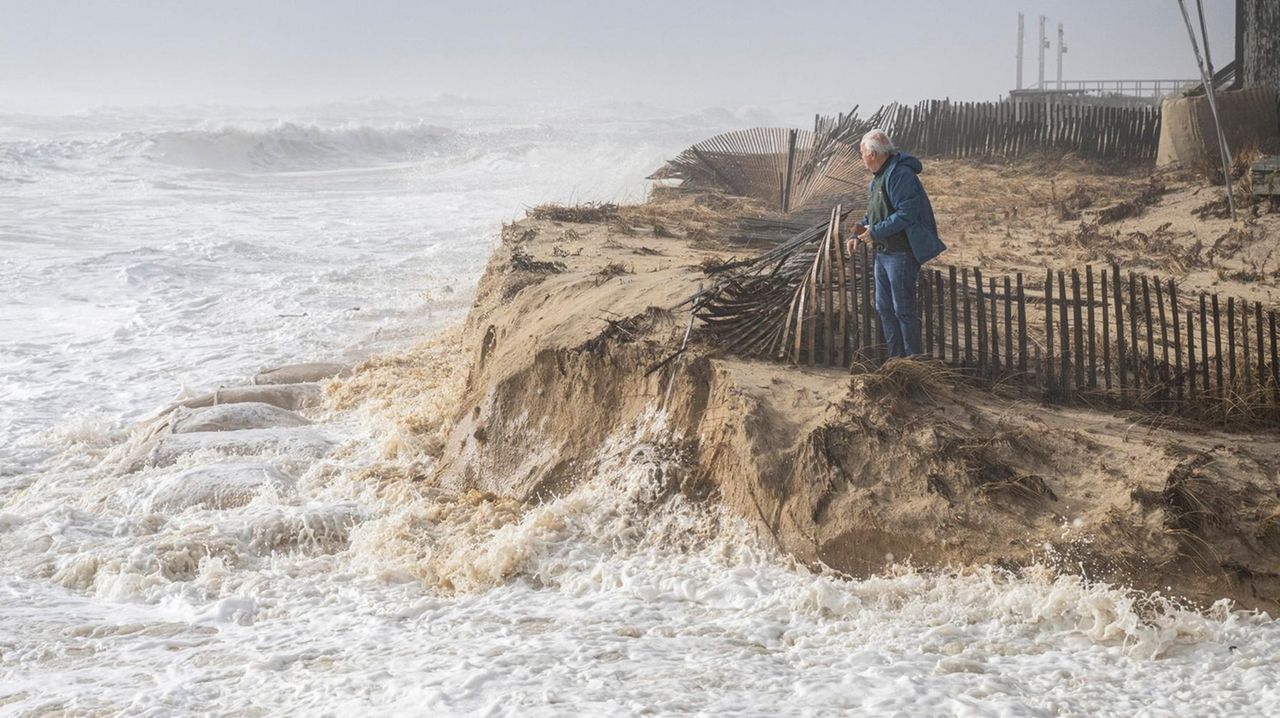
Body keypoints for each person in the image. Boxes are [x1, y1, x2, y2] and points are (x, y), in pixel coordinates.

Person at [845, 129, 945, 358]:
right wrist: (855, 235)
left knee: (903, 310)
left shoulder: (900, 174)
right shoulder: (878, 178)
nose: (861, 158)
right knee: (884, 308)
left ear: (872, 154)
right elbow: (872, 215)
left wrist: (875, 232)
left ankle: (912, 362)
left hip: (901, 252)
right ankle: (896, 359)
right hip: (883, 252)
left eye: (862, 153)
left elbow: (906, 213)